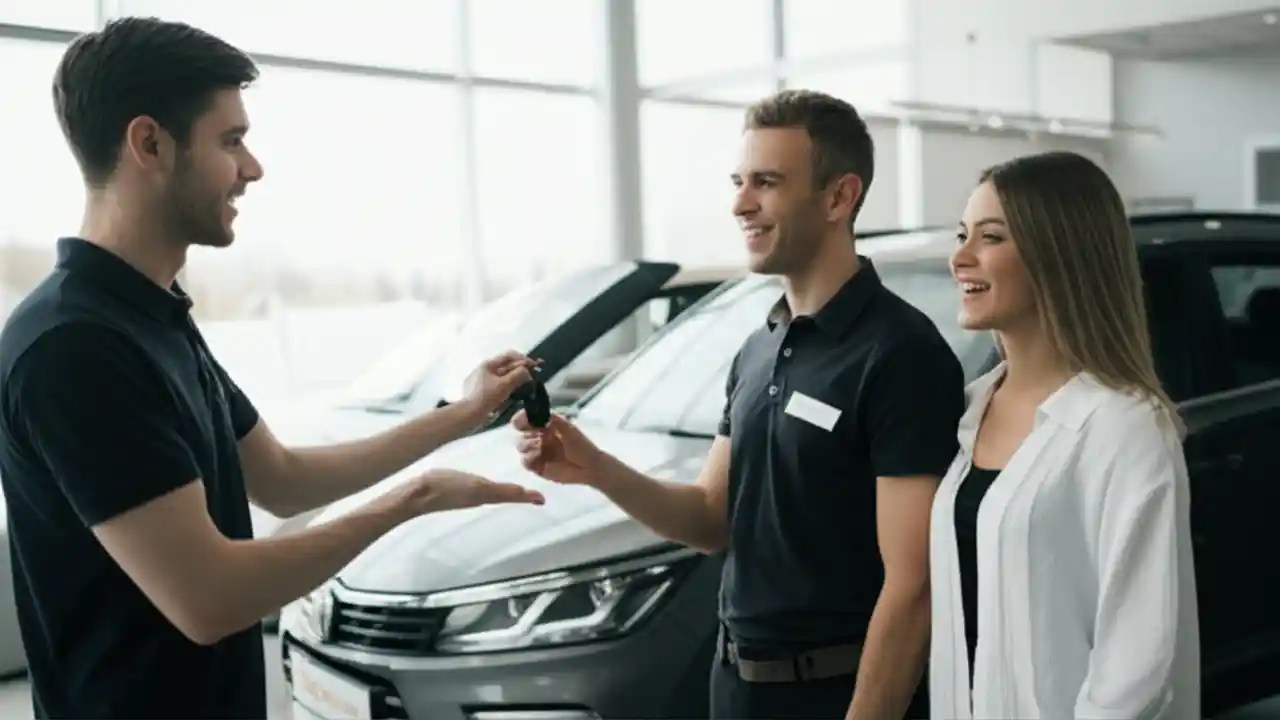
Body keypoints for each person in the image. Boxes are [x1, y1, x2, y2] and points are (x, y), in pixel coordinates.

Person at [0, 17, 544, 719]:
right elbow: (210, 597)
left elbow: (283, 479)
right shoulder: (74, 346)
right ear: (150, 144)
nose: (252, 169)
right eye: (231, 141)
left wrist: (462, 416)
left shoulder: (152, 316)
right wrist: (414, 500)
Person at [514, 89, 965, 720]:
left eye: (766, 183)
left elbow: (914, 586)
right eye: (738, 182)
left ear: (839, 197)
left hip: (836, 695)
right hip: (736, 687)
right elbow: (709, 519)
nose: (740, 204)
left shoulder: (900, 354)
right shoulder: (759, 348)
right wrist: (594, 467)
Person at [928, 151, 1200, 718]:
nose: (960, 257)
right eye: (961, 235)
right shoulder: (968, 410)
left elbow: (1136, 670)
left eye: (991, 237)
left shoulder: (1125, 427)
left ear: (1059, 254)